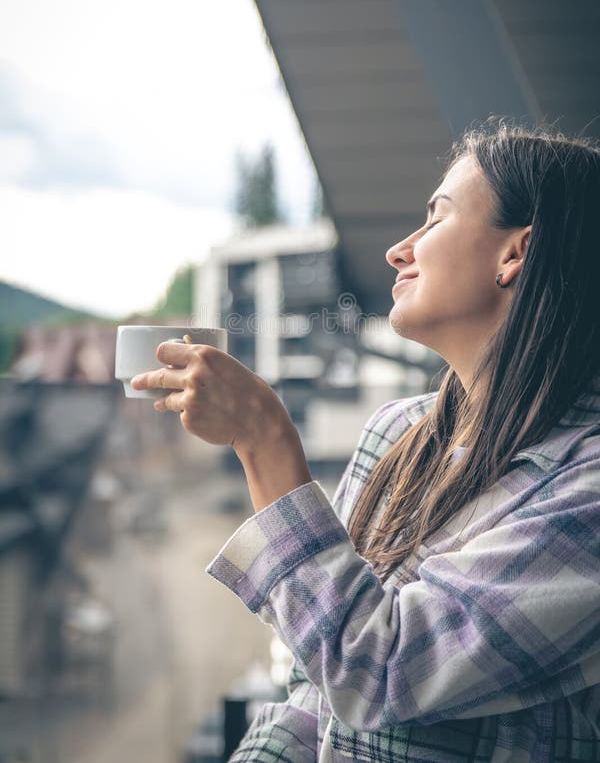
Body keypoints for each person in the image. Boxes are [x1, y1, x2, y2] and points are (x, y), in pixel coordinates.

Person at [130, 120, 600, 762]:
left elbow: (379, 672)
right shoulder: (395, 435)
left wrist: (265, 440)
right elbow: (312, 686)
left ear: (515, 254)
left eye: (436, 220)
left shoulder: (586, 490)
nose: (398, 251)